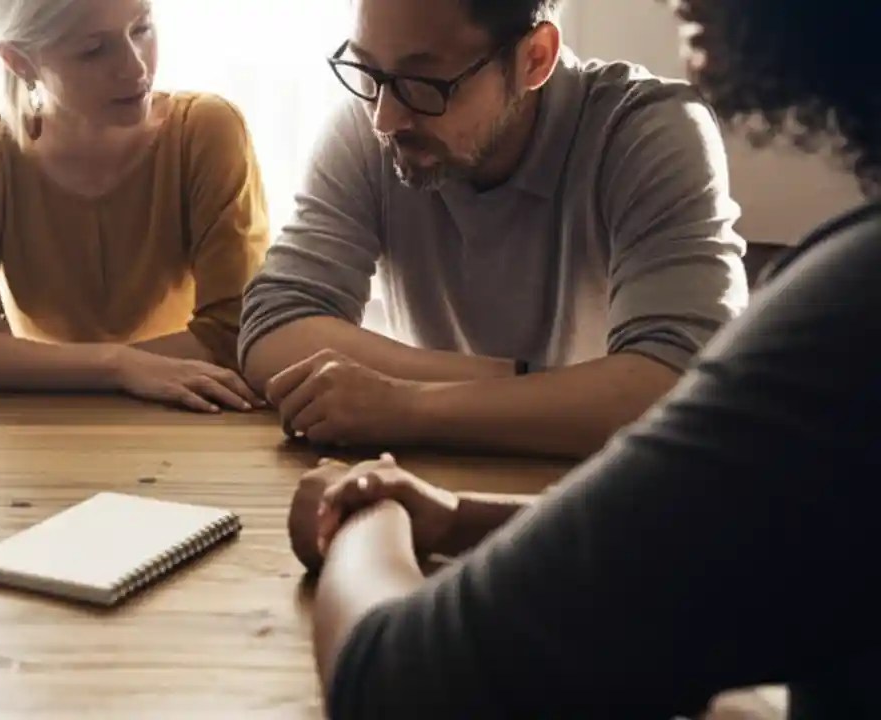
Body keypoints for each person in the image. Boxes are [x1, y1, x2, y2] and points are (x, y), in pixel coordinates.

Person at [287, 0, 881, 713]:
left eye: (425, 81)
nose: (387, 116)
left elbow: (393, 681)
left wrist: (365, 512)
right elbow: (712, 534)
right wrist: (459, 517)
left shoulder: (854, 311)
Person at [240, 0, 749, 458]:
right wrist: (526, 385)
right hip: (431, 477)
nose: (385, 119)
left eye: (423, 83)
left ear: (535, 59)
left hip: (597, 490)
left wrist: (406, 406)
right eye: (367, 70)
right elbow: (275, 327)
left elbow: (677, 388)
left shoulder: (647, 133)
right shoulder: (369, 127)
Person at [0, 0, 270, 415]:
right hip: (46, 428)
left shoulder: (206, 131)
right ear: (19, 62)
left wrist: (14, 361)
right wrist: (118, 366)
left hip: (193, 420)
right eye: (93, 50)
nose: (135, 67)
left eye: (141, 29)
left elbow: (237, 334)